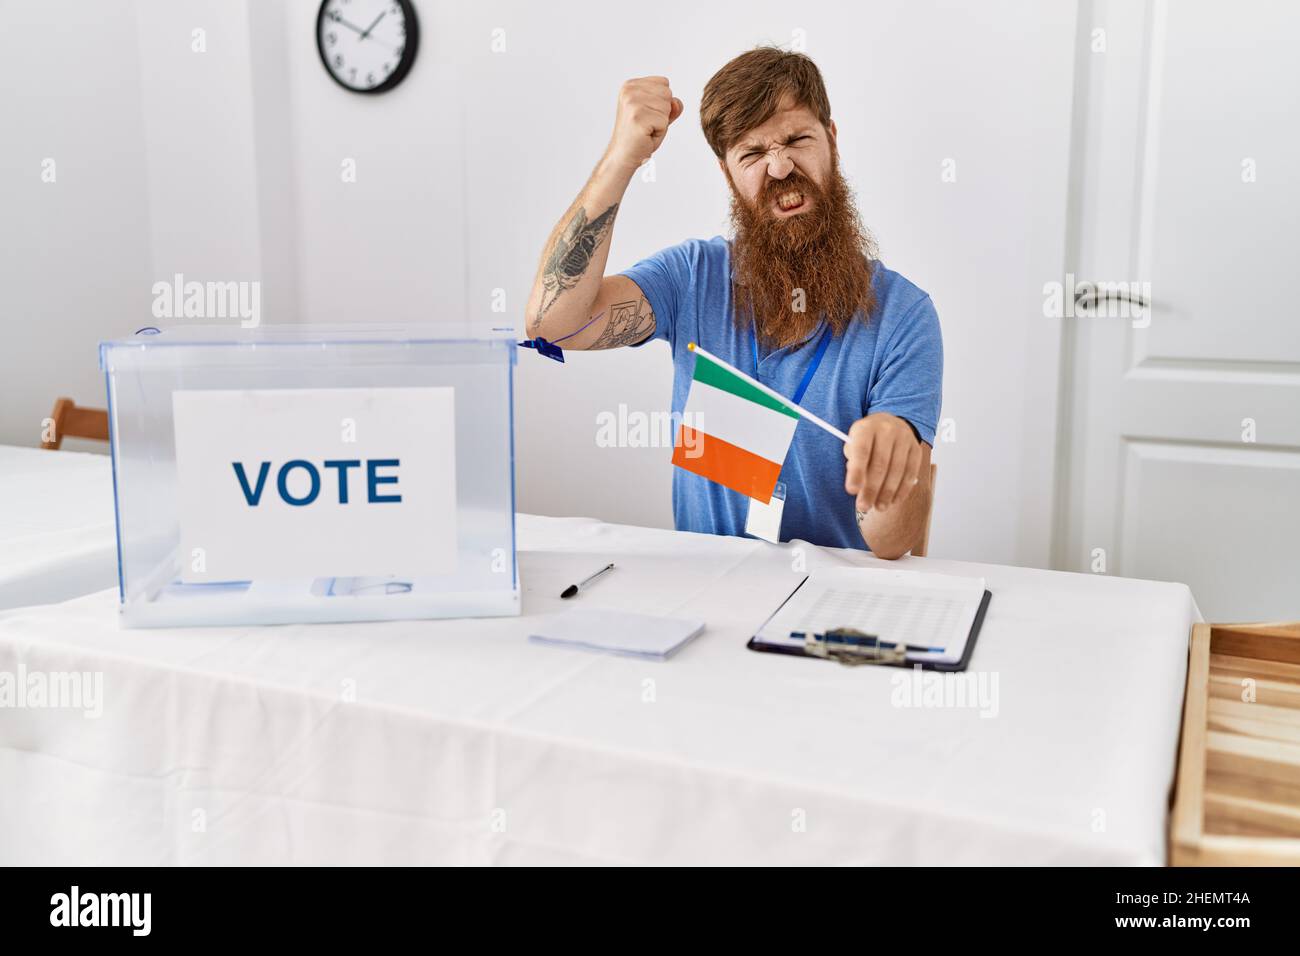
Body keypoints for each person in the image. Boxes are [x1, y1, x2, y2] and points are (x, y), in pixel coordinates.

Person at [524, 47, 942, 558]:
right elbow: (553, 325)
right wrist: (621, 158)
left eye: (796, 139)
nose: (781, 165)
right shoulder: (692, 278)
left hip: (828, 608)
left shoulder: (905, 315)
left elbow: (891, 544)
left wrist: (892, 457)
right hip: (706, 600)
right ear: (727, 173)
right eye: (753, 154)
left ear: (831, 140)